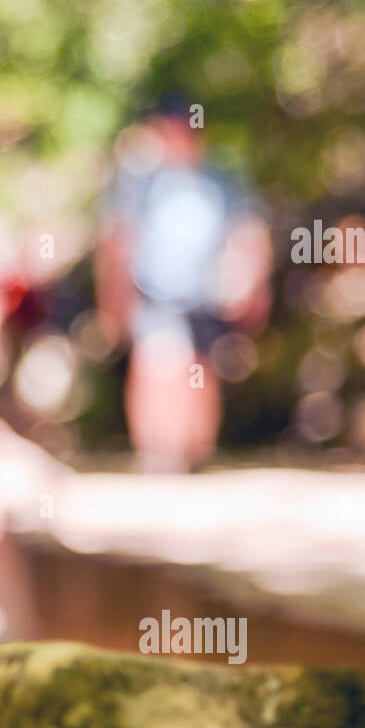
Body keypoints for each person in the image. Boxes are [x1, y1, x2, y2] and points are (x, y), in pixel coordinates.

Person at [94, 95, 272, 472]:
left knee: (198, 369)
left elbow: (248, 233)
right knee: (158, 362)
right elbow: (117, 240)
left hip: (205, 295)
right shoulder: (139, 183)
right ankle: (158, 450)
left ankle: (192, 452)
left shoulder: (221, 179)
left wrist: (253, 285)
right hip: (154, 293)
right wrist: (113, 293)